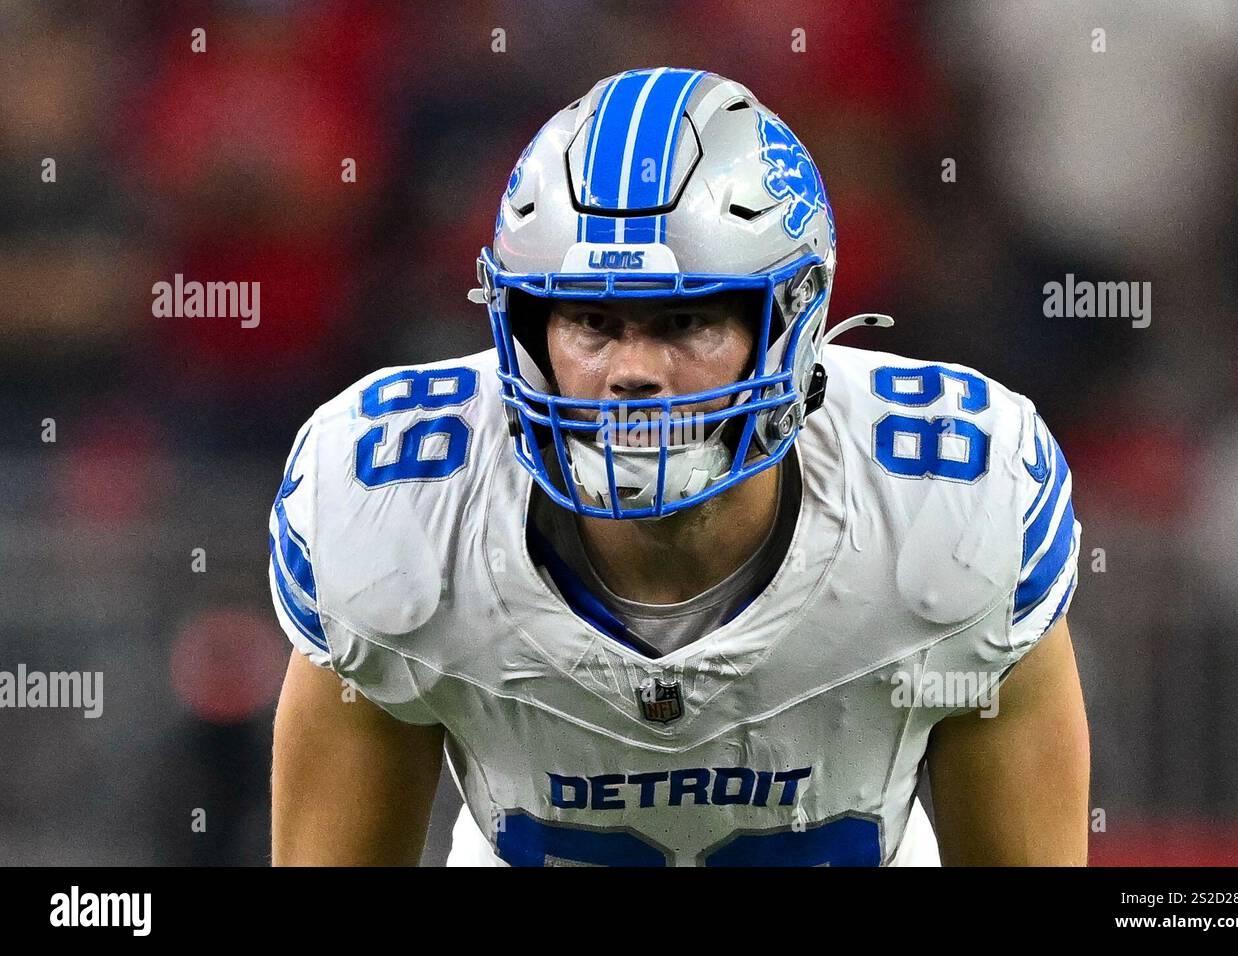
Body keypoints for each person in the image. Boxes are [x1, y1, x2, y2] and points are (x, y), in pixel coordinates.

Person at [269, 68, 1089, 866]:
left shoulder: (951, 508)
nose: (633, 371)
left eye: (685, 319)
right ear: (526, 330)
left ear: (790, 326)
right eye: (593, 321)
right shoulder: (397, 513)